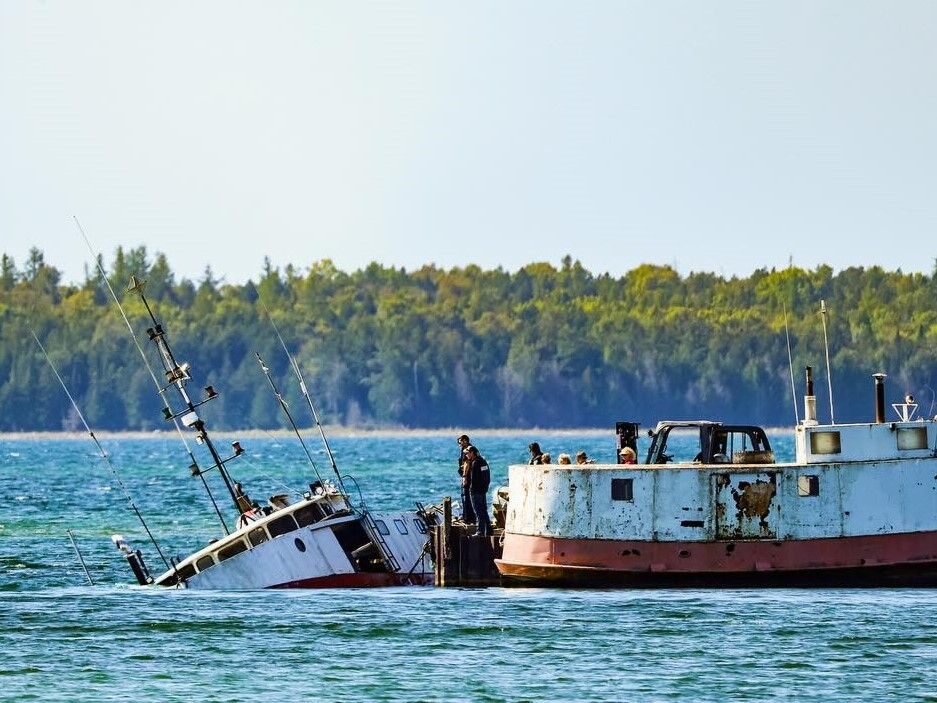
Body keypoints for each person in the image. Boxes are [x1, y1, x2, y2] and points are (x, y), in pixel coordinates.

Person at [465, 445, 492, 537]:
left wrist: (471, 489)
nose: (466, 455)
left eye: (468, 453)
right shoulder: (483, 462)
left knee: (478, 511)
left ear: (472, 453)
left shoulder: (475, 463)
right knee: (483, 510)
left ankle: (480, 531)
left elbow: (473, 479)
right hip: (482, 490)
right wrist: (485, 488)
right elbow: (487, 477)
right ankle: (489, 530)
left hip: (476, 491)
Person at [457, 434, 475, 524]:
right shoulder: (471, 449)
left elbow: (466, 463)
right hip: (471, 477)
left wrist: (464, 477)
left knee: (465, 497)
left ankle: (467, 518)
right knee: (468, 497)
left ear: (465, 441)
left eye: (460, 442)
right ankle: (469, 517)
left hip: (468, 477)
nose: (459, 445)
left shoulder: (467, 450)